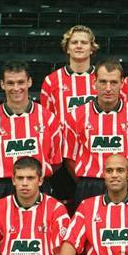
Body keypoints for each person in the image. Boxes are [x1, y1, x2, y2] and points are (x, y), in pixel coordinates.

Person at [0, 61, 62, 205]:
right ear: (2, 84)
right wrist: (2, 175)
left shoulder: (48, 118)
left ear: (29, 82)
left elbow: (56, 160)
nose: (16, 88)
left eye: (21, 82)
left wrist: (33, 178)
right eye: (10, 83)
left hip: (39, 188)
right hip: (2, 189)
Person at [63, 59, 128, 204]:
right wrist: (86, 181)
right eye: (103, 82)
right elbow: (70, 159)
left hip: (125, 184)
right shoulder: (76, 116)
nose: (108, 88)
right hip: (88, 185)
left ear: (122, 83)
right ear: (94, 82)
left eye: (113, 82)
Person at [39, 24, 99, 202]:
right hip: (62, 156)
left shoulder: (104, 80)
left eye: (83, 42)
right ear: (67, 47)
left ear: (91, 48)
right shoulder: (51, 81)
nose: (79, 46)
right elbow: (46, 121)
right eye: (74, 42)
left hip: (93, 154)